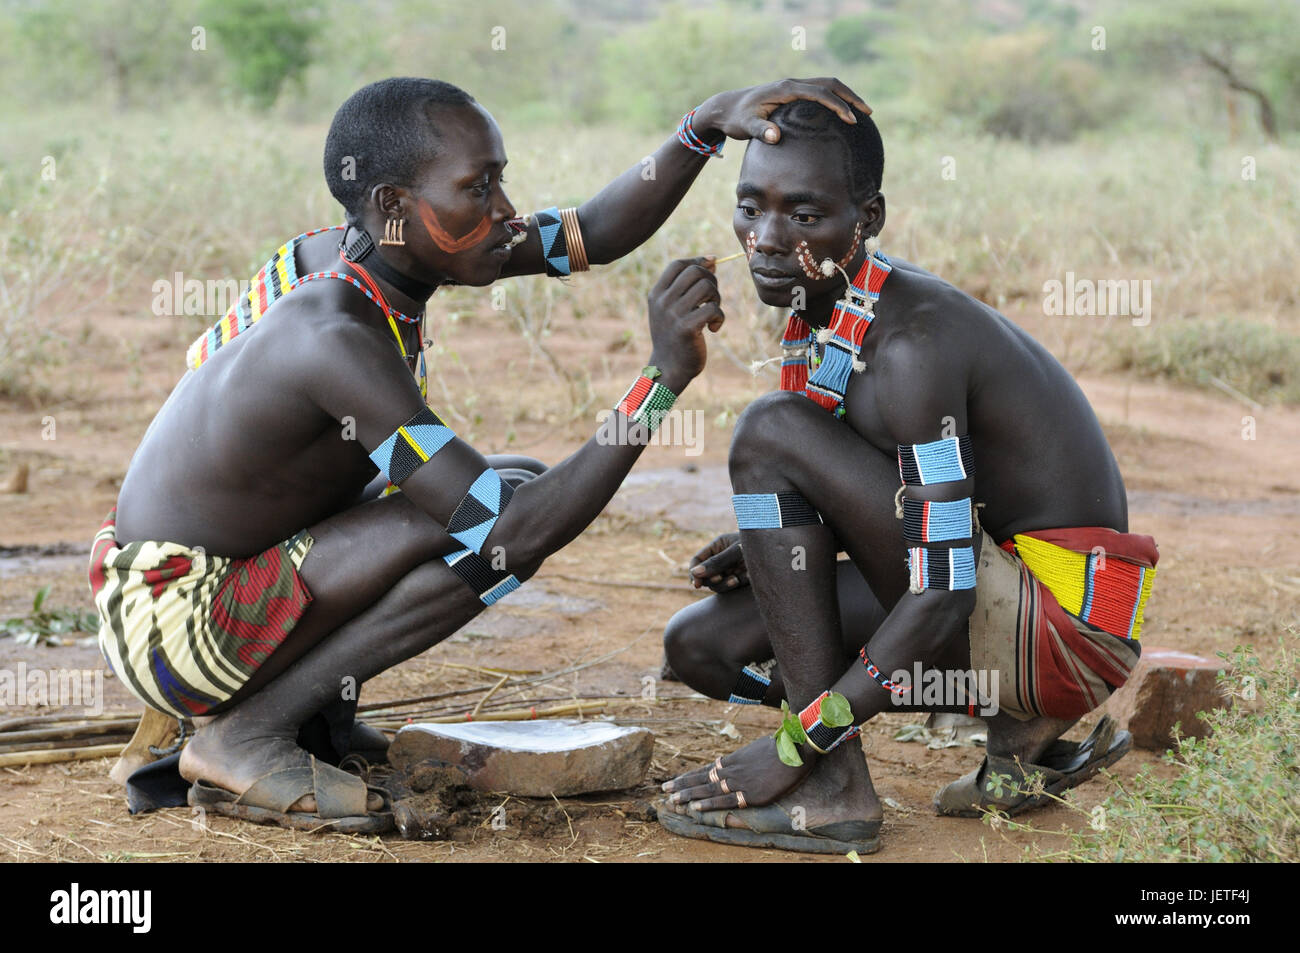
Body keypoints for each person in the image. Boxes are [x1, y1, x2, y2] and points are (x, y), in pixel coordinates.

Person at [88, 76, 869, 831]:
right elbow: (510, 533)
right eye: (479, 188)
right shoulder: (334, 339)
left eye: (501, 182)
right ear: (395, 204)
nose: (504, 212)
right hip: (180, 622)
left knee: (502, 486)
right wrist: (660, 381)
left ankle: (311, 715)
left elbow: (594, 230)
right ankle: (245, 734)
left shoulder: (370, 256)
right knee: (492, 519)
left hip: (203, 577)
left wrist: (703, 126)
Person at [658, 99, 1158, 855]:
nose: (764, 239)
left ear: (868, 217)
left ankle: (828, 780)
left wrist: (798, 742)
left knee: (768, 430)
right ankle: (1017, 735)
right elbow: (907, 497)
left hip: (1062, 629)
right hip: (997, 600)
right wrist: (781, 537)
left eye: (803, 214)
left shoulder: (910, 348)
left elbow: (945, 584)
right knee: (699, 647)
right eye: (749, 206)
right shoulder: (837, 309)